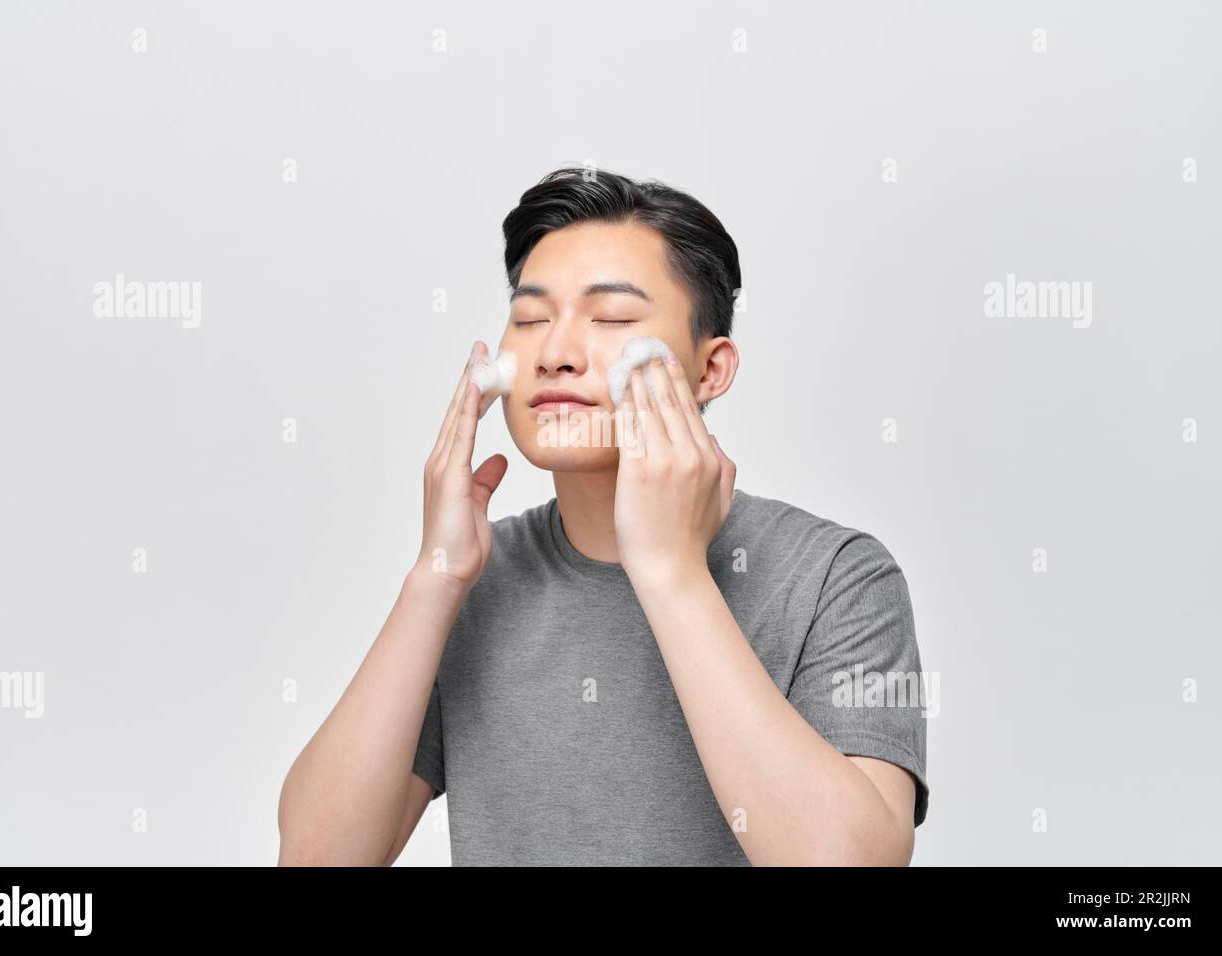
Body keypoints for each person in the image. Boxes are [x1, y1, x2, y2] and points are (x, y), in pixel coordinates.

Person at [277, 167, 929, 866]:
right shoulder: (476, 582)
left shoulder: (837, 577)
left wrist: (673, 575)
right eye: (529, 320)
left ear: (711, 370)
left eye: (612, 319)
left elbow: (853, 861)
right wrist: (432, 583)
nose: (554, 354)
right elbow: (317, 857)